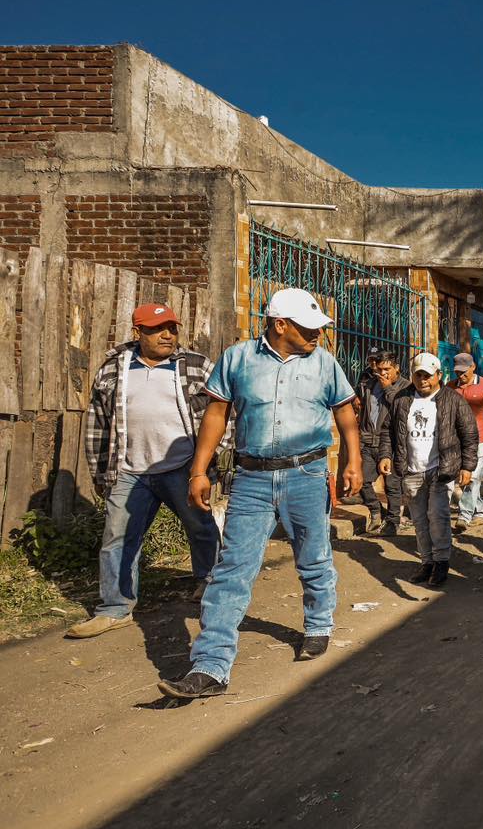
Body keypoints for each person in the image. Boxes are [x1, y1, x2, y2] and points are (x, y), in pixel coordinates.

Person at [159, 288, 362, 700]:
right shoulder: (238, 358)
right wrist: (198, 470)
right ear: (279, 324)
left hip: (307, 473)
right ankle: (211, 667)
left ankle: (318, 623)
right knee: (232, 568)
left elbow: (345, 412)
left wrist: (351, 463)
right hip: (251, 479)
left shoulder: (324, 363)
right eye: (308, 329)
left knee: (314, 556)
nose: (316, 336)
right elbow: (217, 413)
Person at [67, 304, 223, 639]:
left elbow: (225, 413)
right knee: (117, 538)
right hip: (130, 469)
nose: (167, 335)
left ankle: (212, 587)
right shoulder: (113, 369)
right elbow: (98, 423)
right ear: (138, 333)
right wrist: (101, 472)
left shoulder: (196, 366)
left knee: (200, 526)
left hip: (182, 466)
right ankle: (114, 608)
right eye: (157, 329)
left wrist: (210, 463)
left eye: (172, 328)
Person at [379, 352, 479, 589]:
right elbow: (388, 430)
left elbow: (469, 435)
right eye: (418, 375)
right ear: (412, 376)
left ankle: (442, 562)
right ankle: (427, 562)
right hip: (411, 469)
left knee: (438, 517)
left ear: (438, 376)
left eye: (427, 375)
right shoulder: (402, 400)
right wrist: (385, 455)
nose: (423, 380)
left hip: (440, 469)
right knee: (420, 520)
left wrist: (467, 466)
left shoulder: (453, 400)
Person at [450, 352, 483, 530]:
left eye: (464, 372)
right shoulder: (451, 387)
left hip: (481, 439)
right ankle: (480, 511)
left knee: (473, 477)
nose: (461, 376)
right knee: (467, 477)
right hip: (458, 441)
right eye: (458, 372)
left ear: (473, 367)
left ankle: (464, 515)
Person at [356, 349, 403, 535]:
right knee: (362, 482)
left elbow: (401, 411)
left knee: (392, 486)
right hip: (368, 441)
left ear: (396, 368)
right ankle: (377, 512)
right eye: (380, 369)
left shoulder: (405, 386)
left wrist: (388, 389)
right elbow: (365, 412)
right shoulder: (369, 385)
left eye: (387, 369)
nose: (383, 373)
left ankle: (393, 521)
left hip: (390, 444)